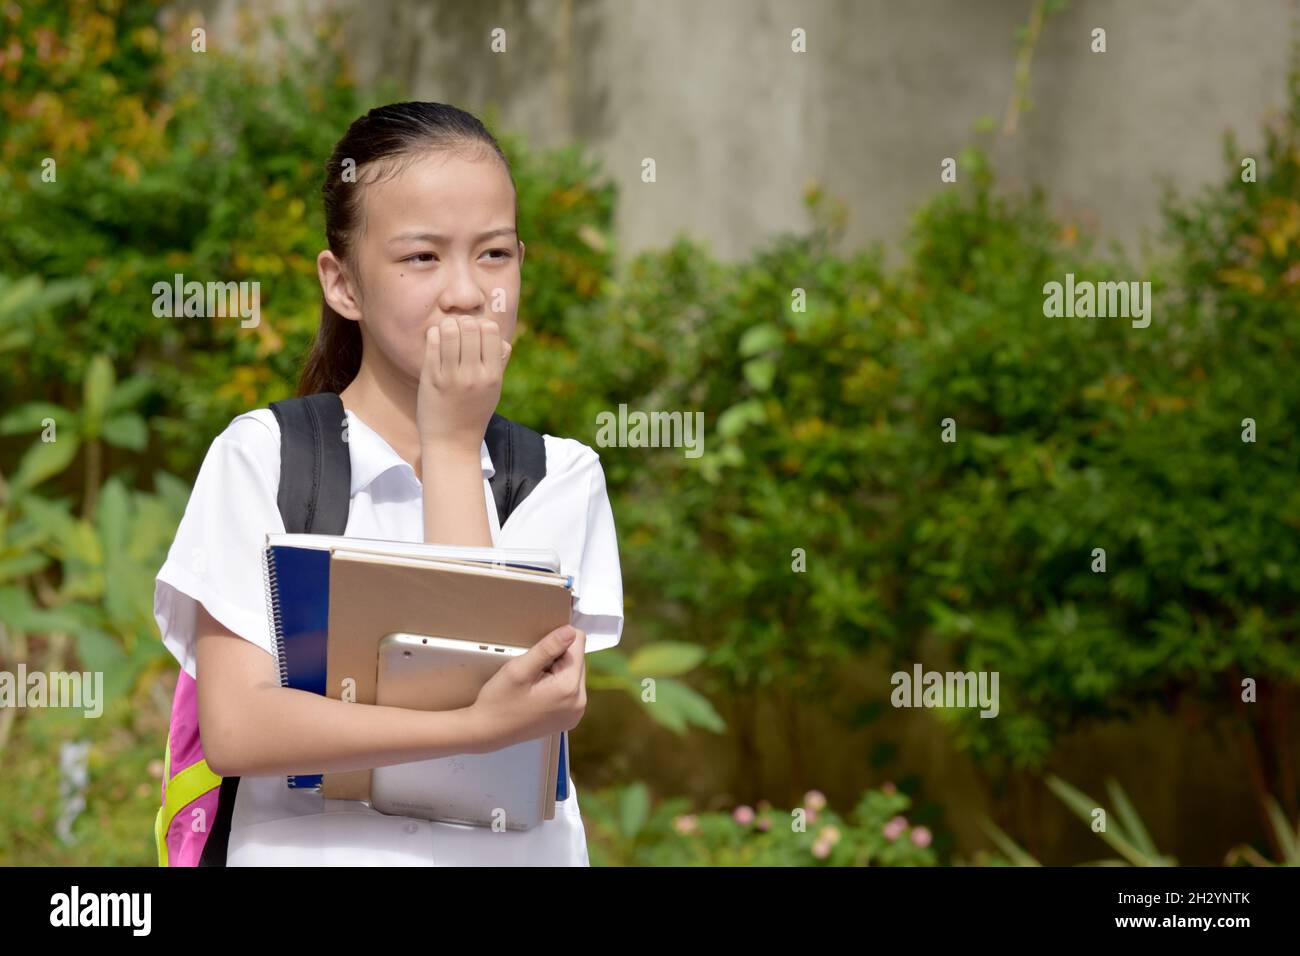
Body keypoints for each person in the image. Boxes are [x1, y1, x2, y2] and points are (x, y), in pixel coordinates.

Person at [152, 102, 624, 865]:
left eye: (495, 254)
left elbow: (491, 737)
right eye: (422, 258)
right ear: (343, 285)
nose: (467, 292)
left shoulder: (560, 477)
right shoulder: (263, 459)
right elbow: (239, 729)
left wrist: (451, 445)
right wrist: (472, 727)